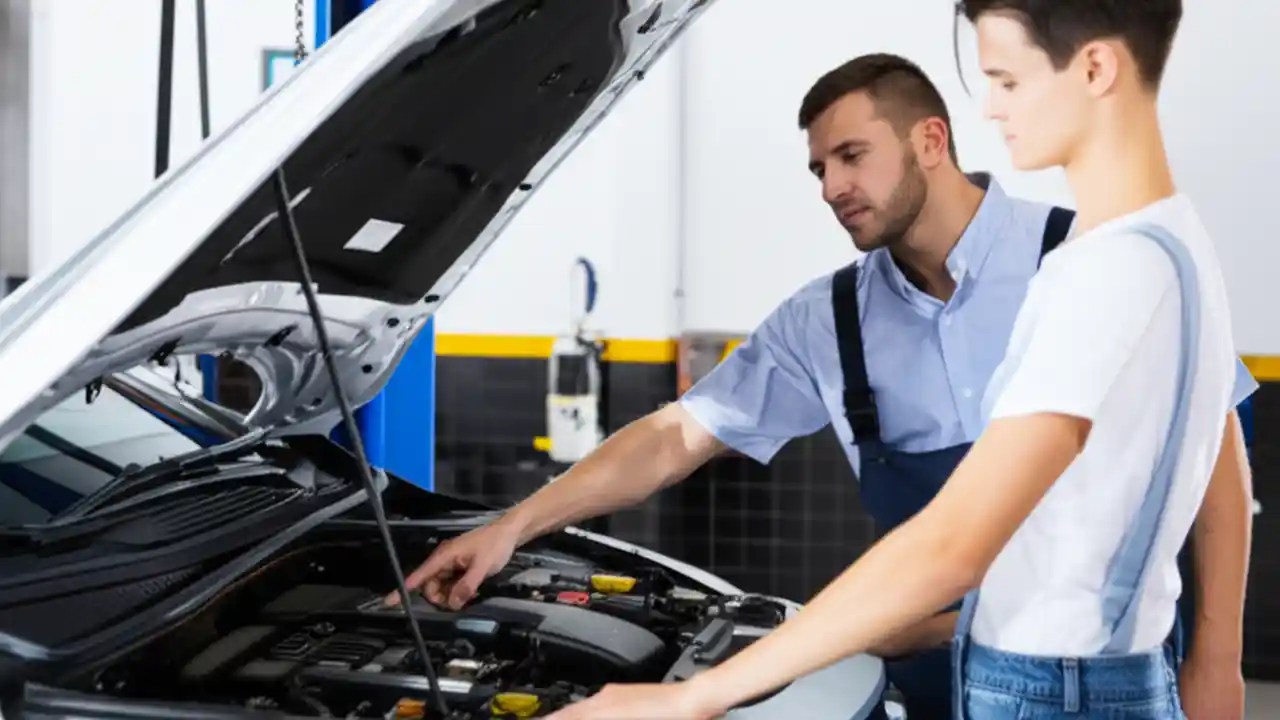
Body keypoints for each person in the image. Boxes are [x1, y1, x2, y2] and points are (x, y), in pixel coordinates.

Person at [396, 48, 1253, 718]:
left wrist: (1216, 653)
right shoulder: (828, 320)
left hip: (1102, 676)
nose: (833, 188)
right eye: (818, 170)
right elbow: (676, 435)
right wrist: (515, 526)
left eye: (851, 156)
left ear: (931, 140)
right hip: (929, 680)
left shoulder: (1089, 255)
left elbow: (1216, 454)